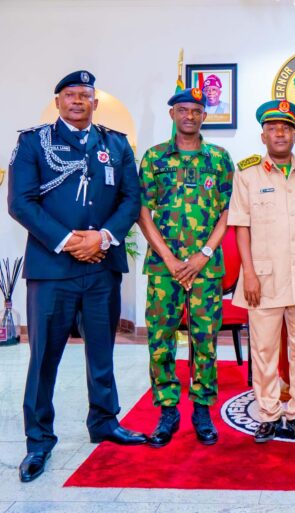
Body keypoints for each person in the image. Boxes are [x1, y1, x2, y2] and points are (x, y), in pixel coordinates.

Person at [8, 70, 145, 483]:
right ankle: (38, 440)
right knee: (44, 358)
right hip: (52, 271)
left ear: (95, 103)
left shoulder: (115, 143)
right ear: (58, 101)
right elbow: (21, 202)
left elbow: (130, 198)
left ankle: (104, 421)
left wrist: (102, 237)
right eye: (70, 95)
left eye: (85, 95)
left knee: (102, 352)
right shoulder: (33, 143)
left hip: (101, 266)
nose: (77, 101)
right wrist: (70, 240)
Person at [137, 87, 234, 448]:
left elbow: (228, 212)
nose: (189, 116)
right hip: (165, 269)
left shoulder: (220, 159)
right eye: (183, 110)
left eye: (196, 110)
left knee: (205, 340)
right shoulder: (154, 158)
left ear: (204, 116)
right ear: (172, 115)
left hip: (206, 268)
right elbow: (142, 211)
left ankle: (203, 409)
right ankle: (167, 410)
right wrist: (171, 259)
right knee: (160, 340)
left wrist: (202, 255)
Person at [228, 99, 295, 444]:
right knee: (265, 350)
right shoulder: (247, 174)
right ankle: (269, 413)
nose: (280, 133)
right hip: (264, 278)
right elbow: (241, 226)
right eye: (273, 128)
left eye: (286, 127)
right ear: (263, 135)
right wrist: (249, 274)